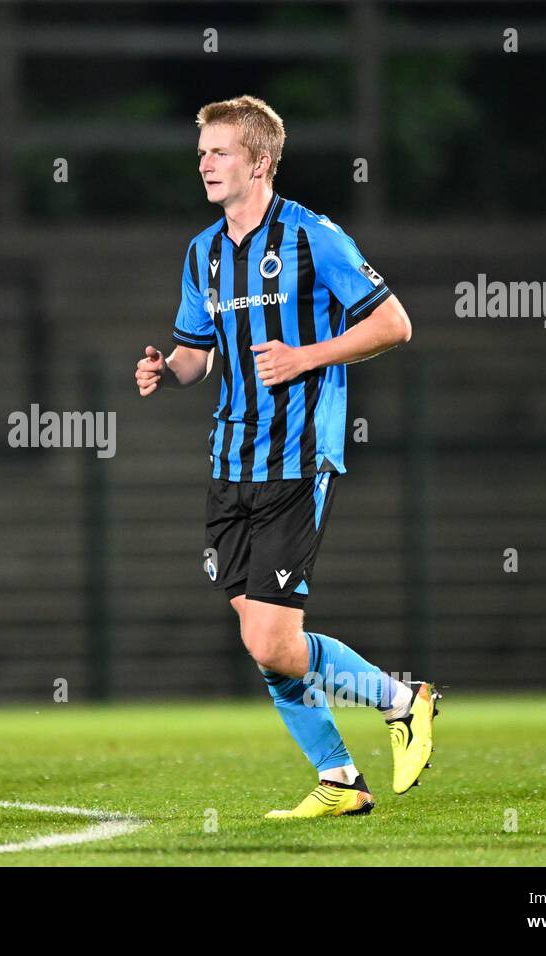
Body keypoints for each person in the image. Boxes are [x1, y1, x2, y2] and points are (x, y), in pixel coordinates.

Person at [135, 95, 438, 819]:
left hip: (298, 459)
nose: (205, 162)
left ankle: (405, 700)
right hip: (229, 462)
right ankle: (339, 780)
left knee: (272, 639)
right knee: (263, 640)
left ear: (260, 161)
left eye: (220, 151)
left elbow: (394, 324)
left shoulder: (313, 237)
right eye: (202, 150)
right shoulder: (202, 252)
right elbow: (195, 354)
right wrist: (165, 370)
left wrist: (307, 355)